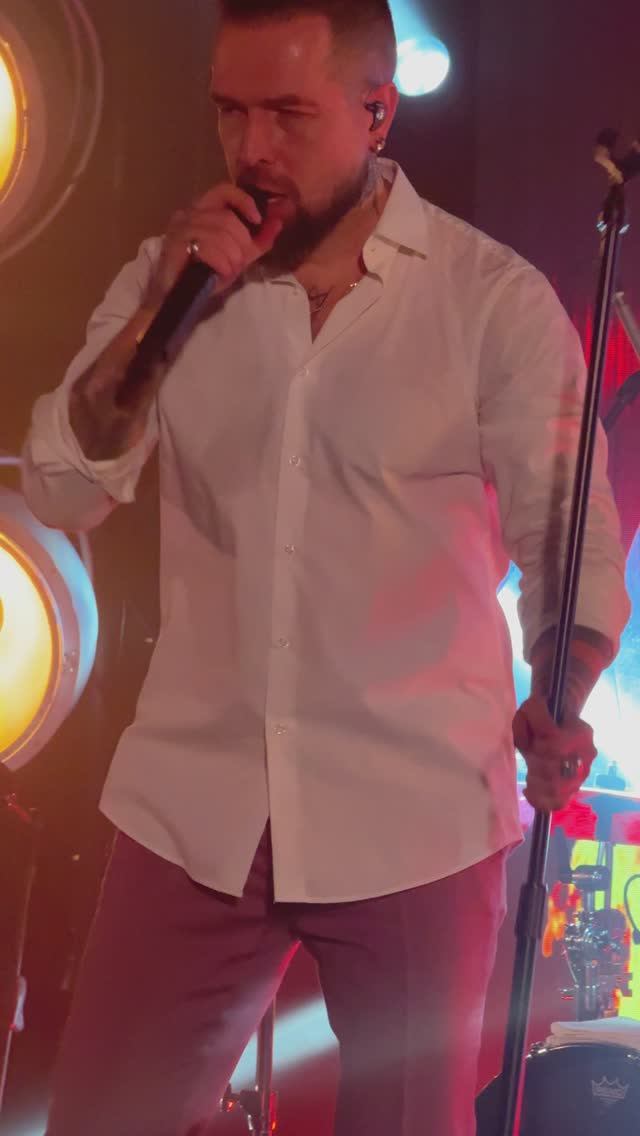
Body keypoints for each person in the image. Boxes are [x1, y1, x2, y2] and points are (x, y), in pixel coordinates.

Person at [22, 2, 630, 1134]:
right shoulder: (167, 280)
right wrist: (159, 309)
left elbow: (570, 540)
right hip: (195, 800)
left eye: (289, 114)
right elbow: (62, 488)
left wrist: (564, 687)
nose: (252, 148)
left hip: (415, 805)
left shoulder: (486, 300)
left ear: (376, 111)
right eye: (230, 111)